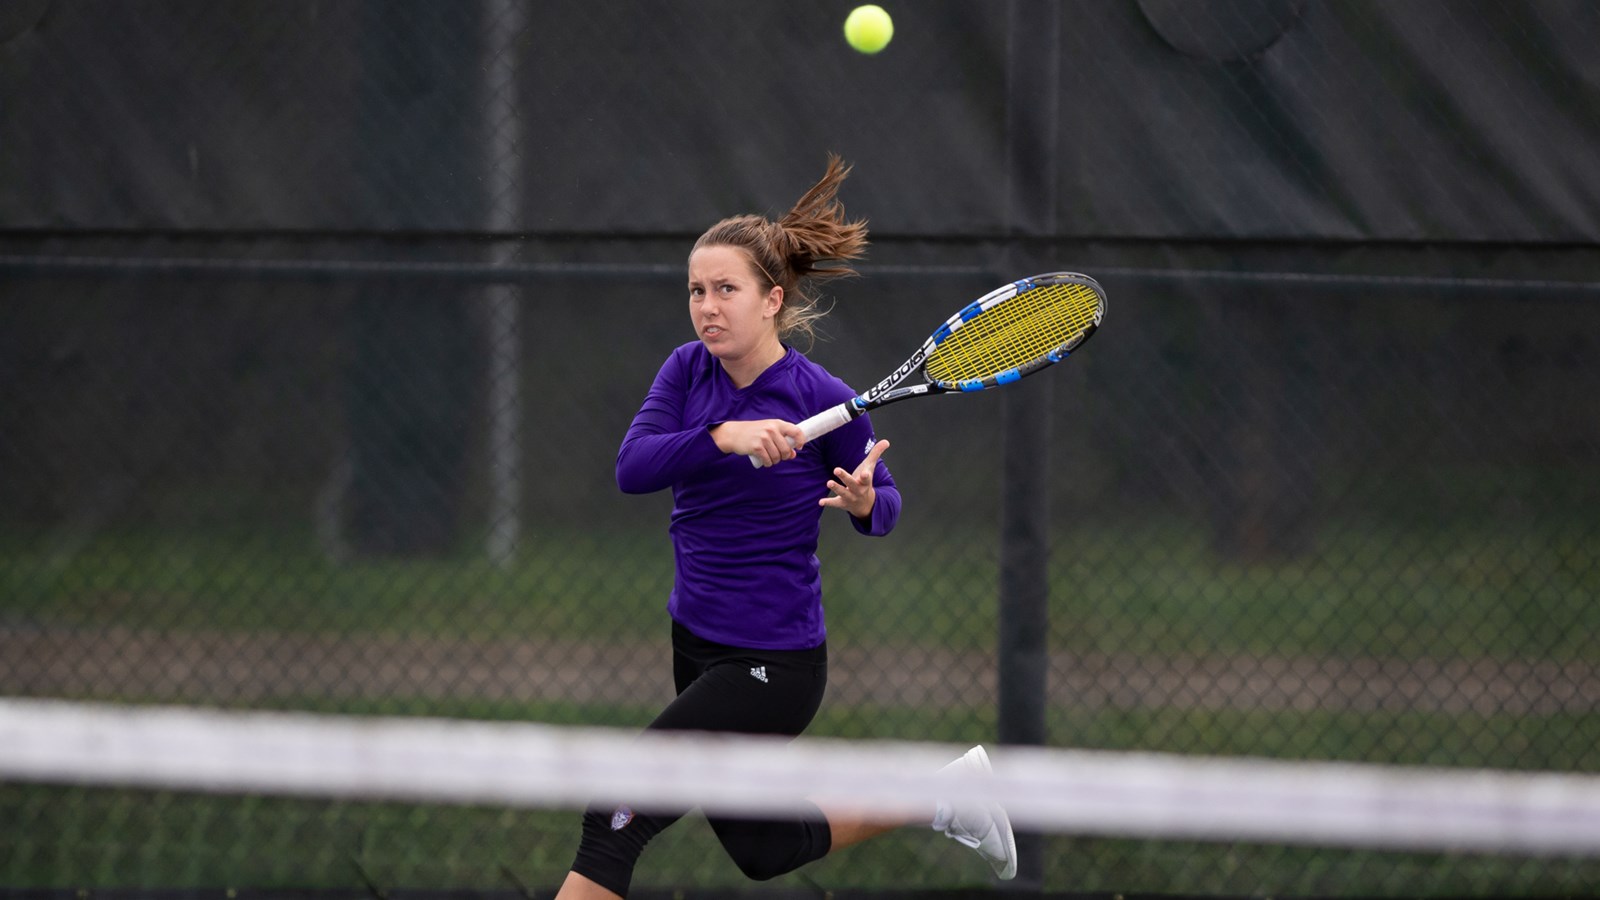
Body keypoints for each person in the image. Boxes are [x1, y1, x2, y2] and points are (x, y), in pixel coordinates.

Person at [556, 155, 1016, 899]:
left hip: (774, 664)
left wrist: (866, 502)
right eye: (696, 291)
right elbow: (633, 468)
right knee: (763, 849)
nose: (707, 306)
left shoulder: (822, 397)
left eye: (726, 290)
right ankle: (944, 798)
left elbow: (886, 504)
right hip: (696, 649)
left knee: (617, 808)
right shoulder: (685, 372)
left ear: (771, 300)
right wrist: (724, 438)